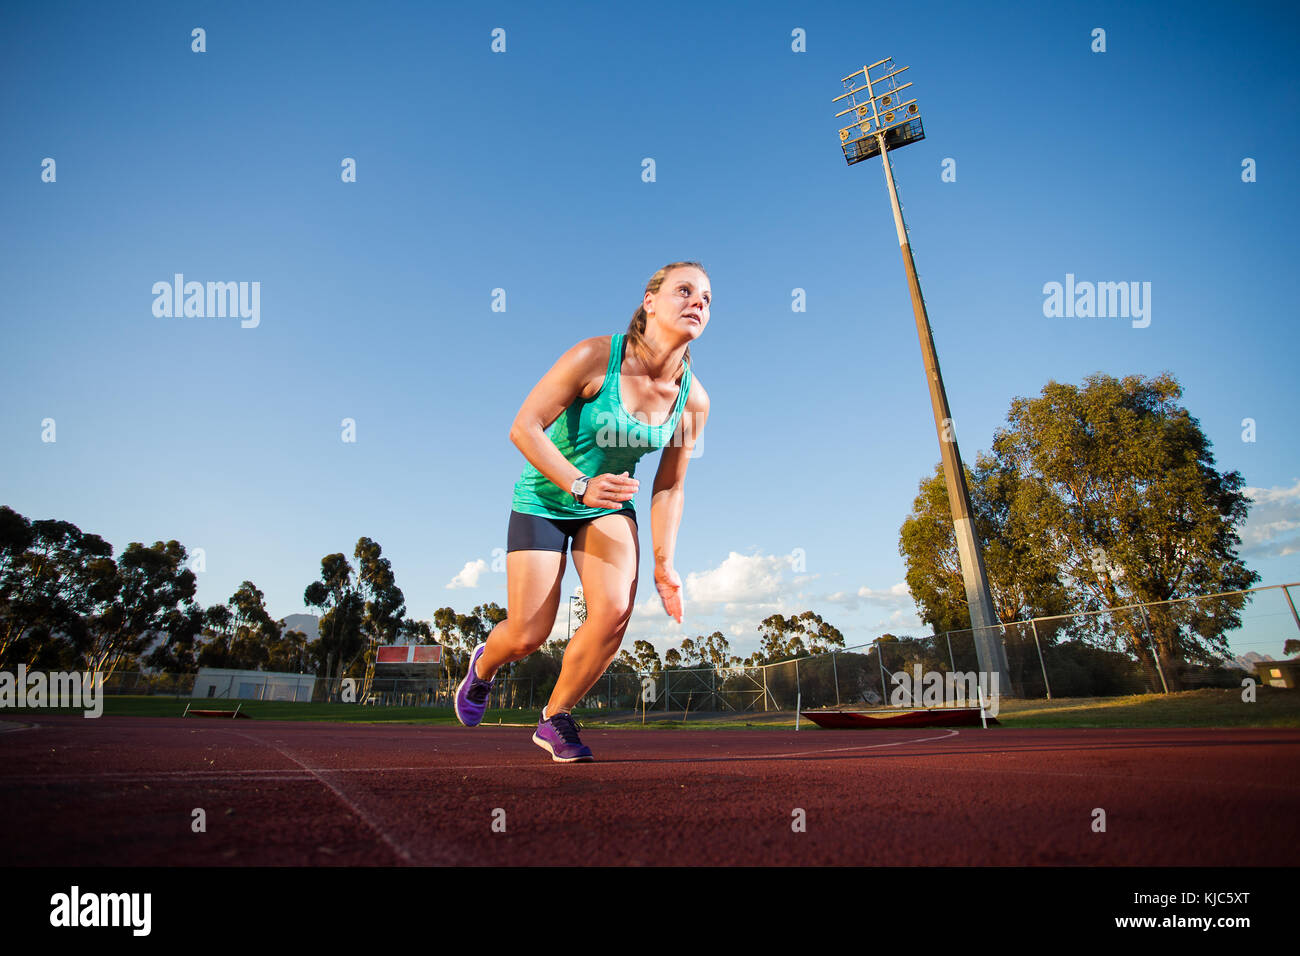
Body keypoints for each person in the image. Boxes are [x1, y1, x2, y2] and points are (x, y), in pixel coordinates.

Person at [454, 261, 711, 762]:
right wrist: (578, 483)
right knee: (529, 634)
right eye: (685, 290)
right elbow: (524, 426)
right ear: (650, 300)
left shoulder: (693, 399)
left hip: (608, 506)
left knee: (615, 611)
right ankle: (484, 665)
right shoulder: (596, 356)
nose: (698, 302)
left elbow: (671, 486)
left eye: (706, 298)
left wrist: (664, 563)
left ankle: (555, 717)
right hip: (545, 498)